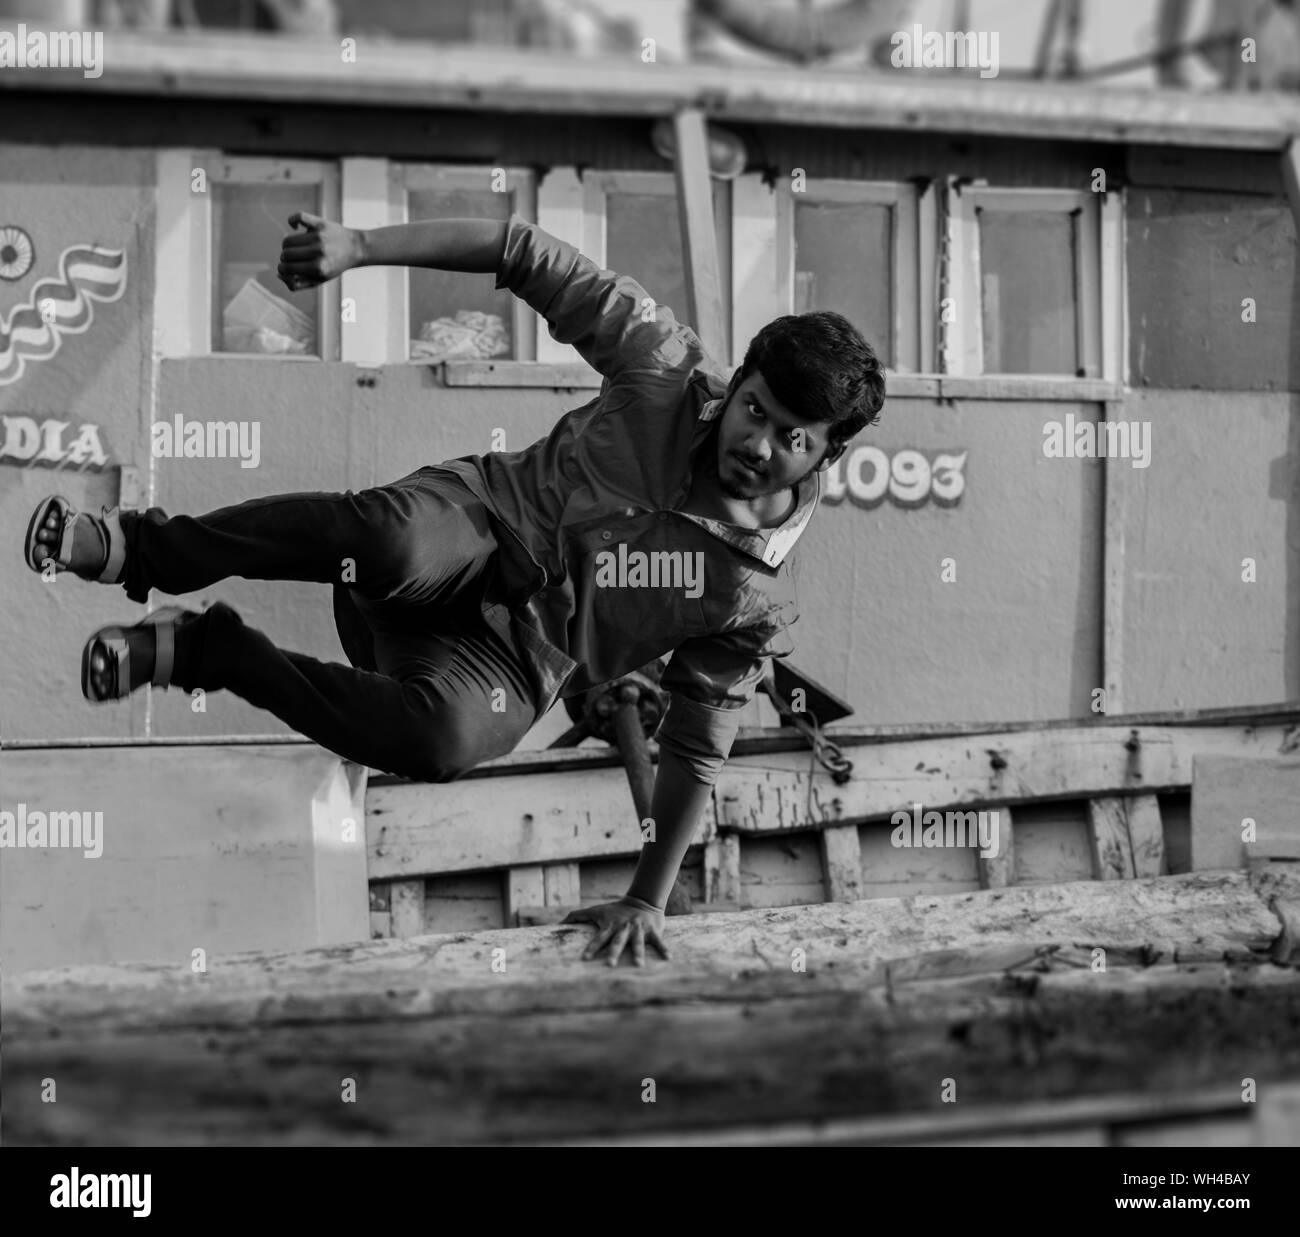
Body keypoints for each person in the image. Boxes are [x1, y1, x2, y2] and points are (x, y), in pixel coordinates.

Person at [23, 210, 884, 966]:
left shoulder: (747, 596)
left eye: (793, 438)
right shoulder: (661, 365)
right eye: (756, 409)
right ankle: (138, 548)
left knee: (446, 744)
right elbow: (524, 251)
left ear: (828, 453)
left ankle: (203, 650)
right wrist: (360, 245)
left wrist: (647, 898)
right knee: (389, 539)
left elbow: (696, 749)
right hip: (471, 529)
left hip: (510, 655)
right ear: (737, 385)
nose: (759, 443)